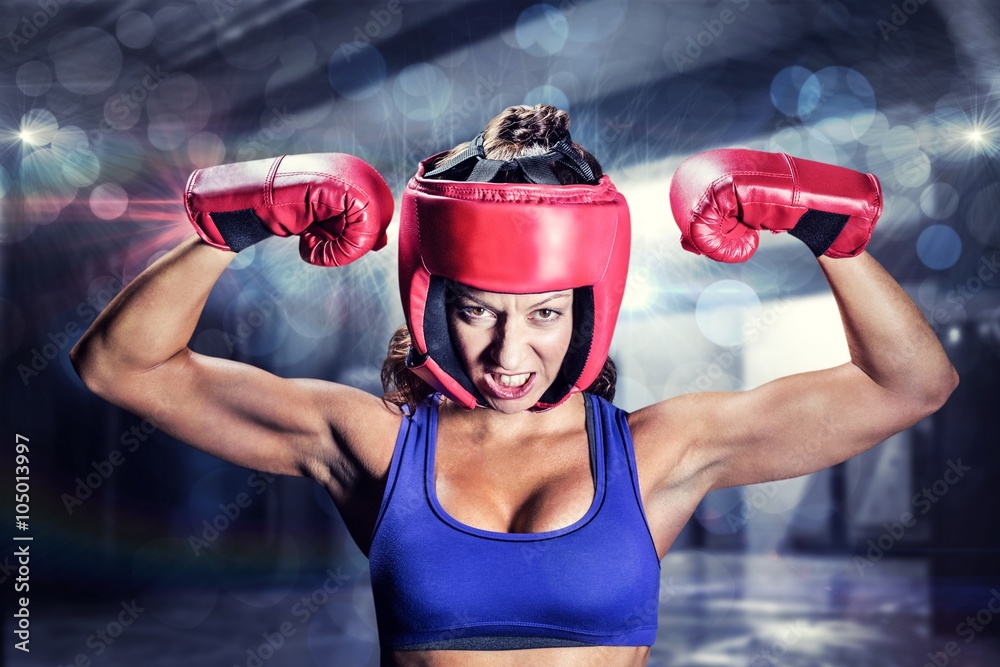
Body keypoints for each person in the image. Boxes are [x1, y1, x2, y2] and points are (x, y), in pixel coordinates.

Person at [70, 104, 959, 666]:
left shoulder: (658, 451)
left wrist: (826, 234)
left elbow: (909, 384)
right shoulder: (376, 442)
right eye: (479, 311)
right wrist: (233, 224)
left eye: (542, 314)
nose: (507, 351)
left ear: (589, 311)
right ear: (430, 301)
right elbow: (120, 365)